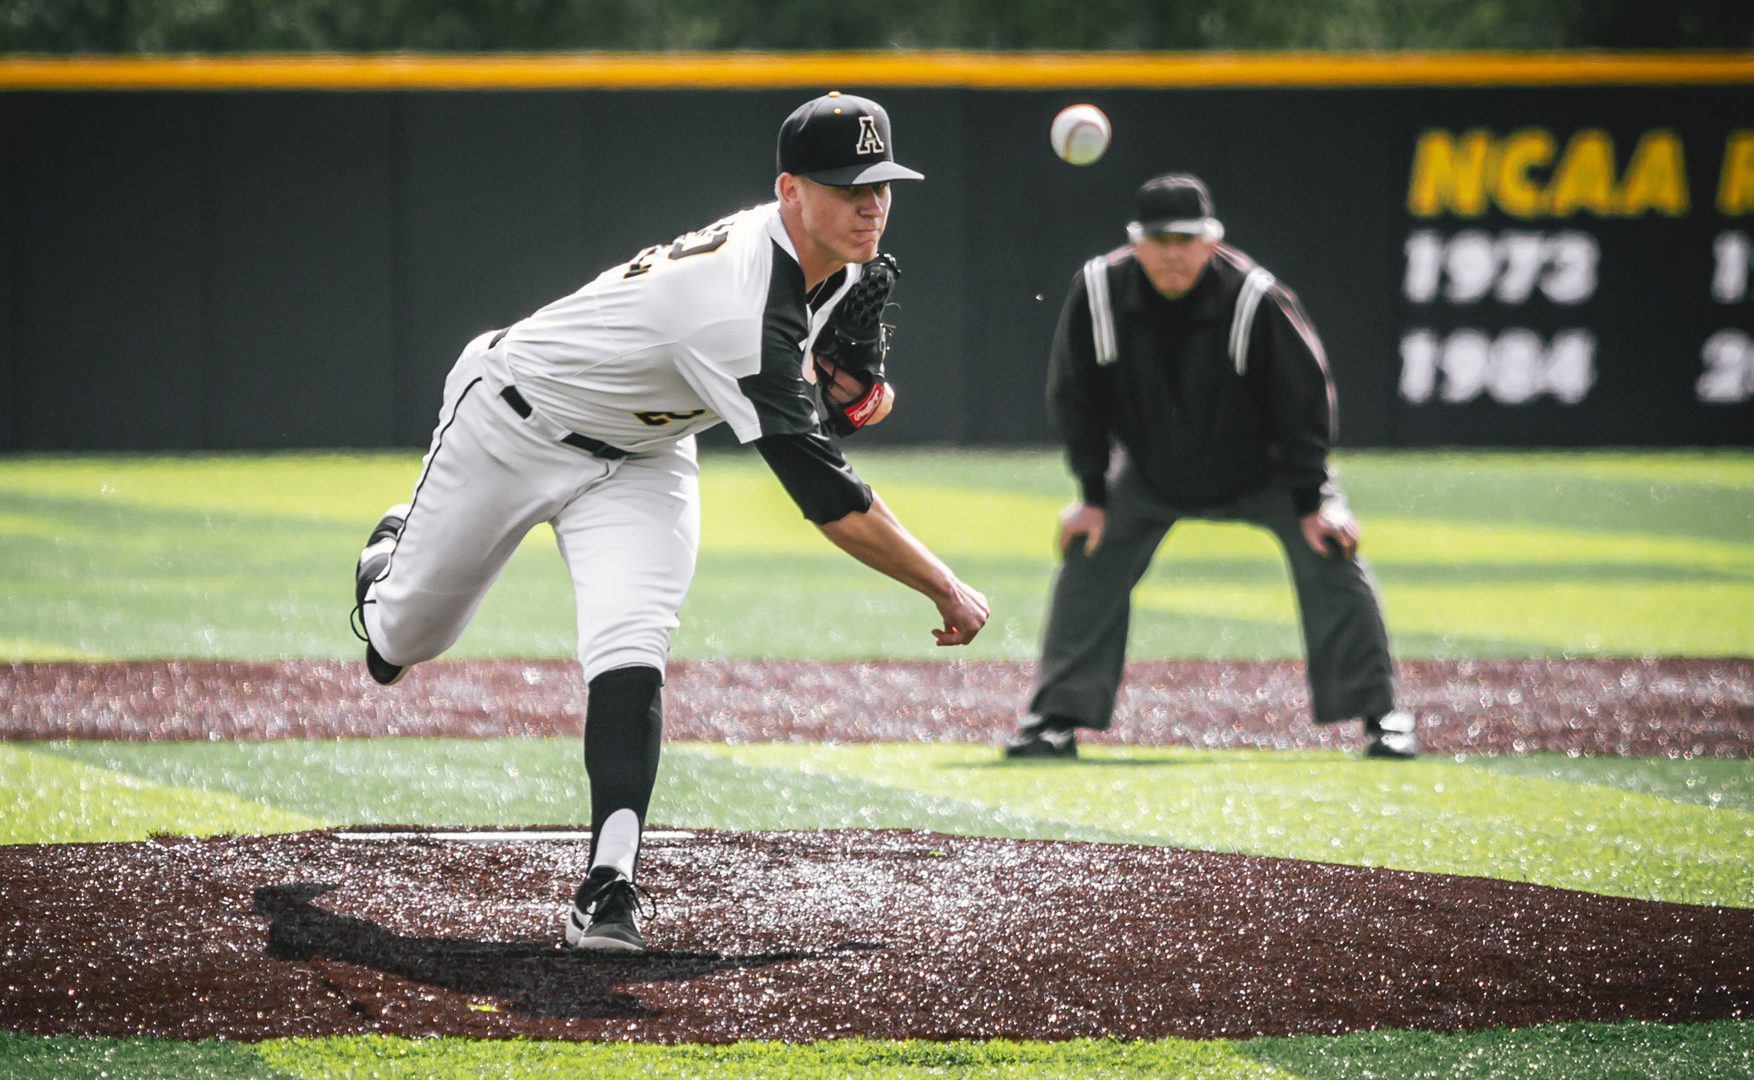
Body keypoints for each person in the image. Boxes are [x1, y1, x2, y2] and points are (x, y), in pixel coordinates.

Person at [352, 92, 990, 954]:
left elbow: (816, 378)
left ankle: (609, 882)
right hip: (513, 422)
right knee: (401, 643)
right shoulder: (736, 304)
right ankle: (388, 557)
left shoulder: (832, 265)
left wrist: (843, 388)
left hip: (645, 454)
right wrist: (944, 586)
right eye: (846, 186)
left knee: (632, 636)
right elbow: (829, 500)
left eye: (880, 184)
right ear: (790, 190)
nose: (870, 204)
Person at [1006, 173, 1415, 762]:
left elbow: (1304, 400)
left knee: (1331, 545)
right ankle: (1053, 719)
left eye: (1187, 239)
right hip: (1151, 473)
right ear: (1136, 242)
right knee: (1089, 548)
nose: (1173, 253)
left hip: (1266, 472)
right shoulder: (1098, 290)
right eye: (1160, 239)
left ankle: (1382, 714)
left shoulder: (1254, 297)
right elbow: (1075, 396)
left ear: (1211, 241)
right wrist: (1092, 495)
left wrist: (1313, 500)